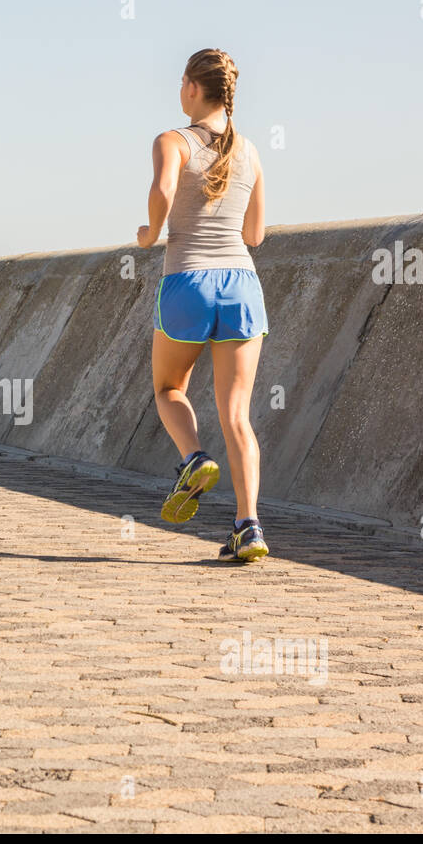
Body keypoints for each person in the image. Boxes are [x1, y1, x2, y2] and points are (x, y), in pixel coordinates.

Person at [136, 48, 270, 563]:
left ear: (193, 87)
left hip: (188, 279)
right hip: (241, 283)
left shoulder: (172, 141)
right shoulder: (251, 151)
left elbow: (162, 188)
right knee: (238, 414)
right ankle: (249, 526)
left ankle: (193, 459)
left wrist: (150, 234)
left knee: (169, 387)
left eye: (180, 82)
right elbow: (255, 234)